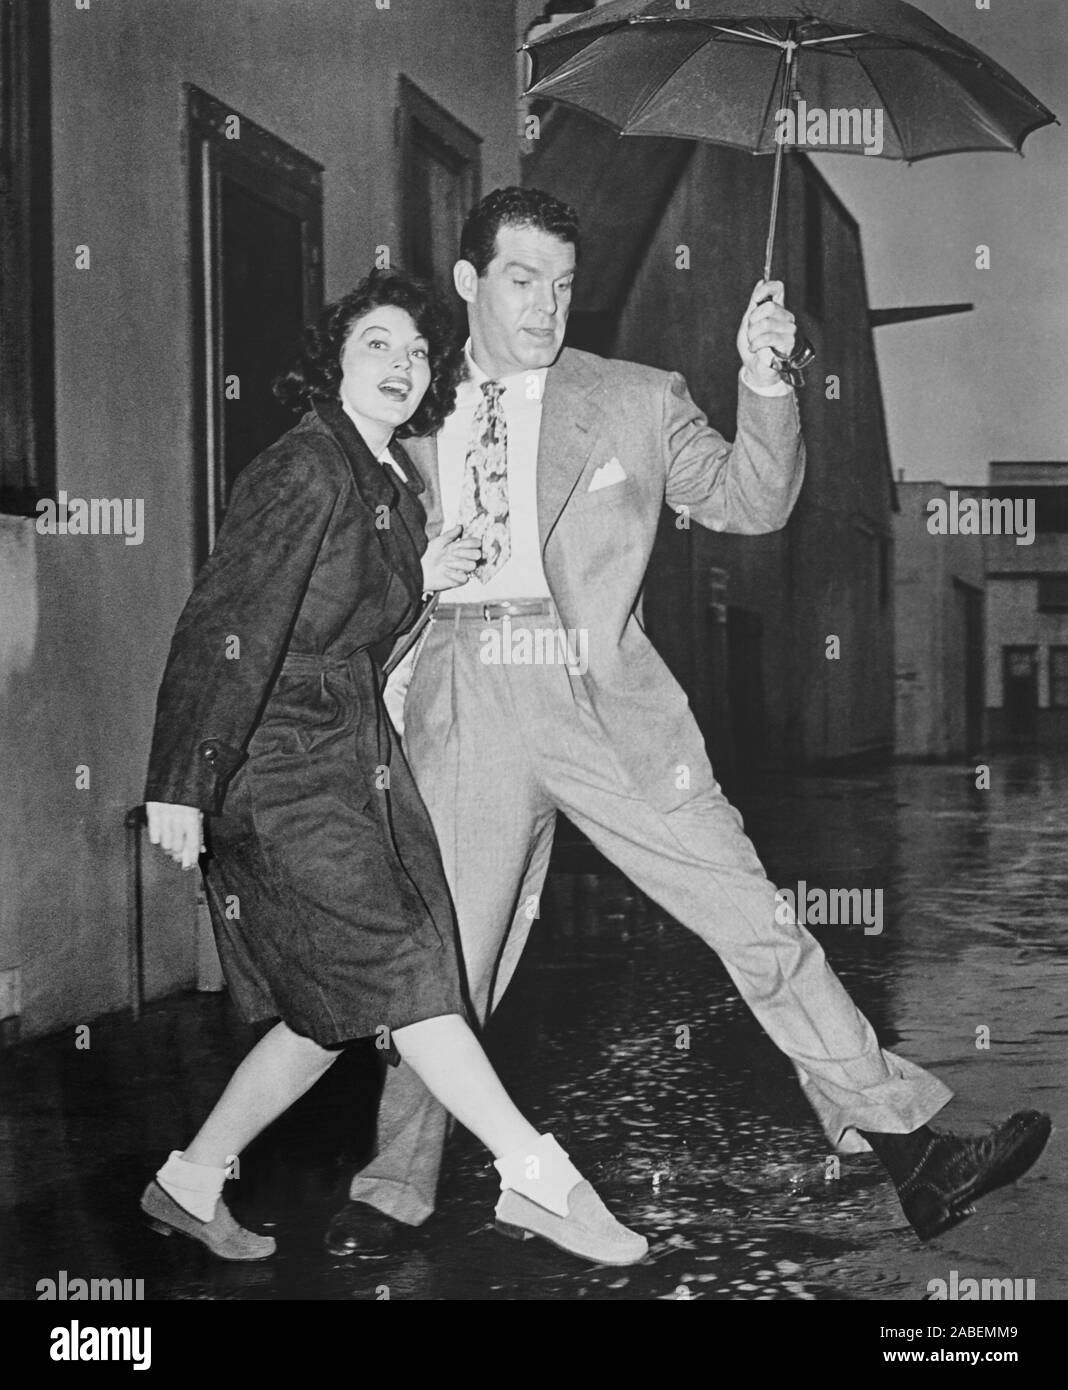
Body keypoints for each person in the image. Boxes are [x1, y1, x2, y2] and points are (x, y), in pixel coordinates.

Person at [325, 188, 1051, 1257]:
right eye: (522, 282)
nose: (546, 309)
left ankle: (909, 1146)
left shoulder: (635, 397)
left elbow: (752, 498)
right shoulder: (407, 402)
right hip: (464, 696)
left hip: (604, 699)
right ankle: (393, 1191)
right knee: (445, 969)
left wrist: (765, 376)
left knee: (753, 916)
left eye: (564, 287)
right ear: (471, 284)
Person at [140, 267, 647, 1267]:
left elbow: (347, 626)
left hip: (346, 765)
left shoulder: (383, 484)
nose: (403, 364)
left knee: (325, 1013)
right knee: (411, 977)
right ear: (332, 361)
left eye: (418, 350)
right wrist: (180, 783)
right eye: (377, 343)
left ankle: (190, 1182)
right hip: (280, 773)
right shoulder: (308, 469)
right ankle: (541, 1179)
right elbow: (226, 627)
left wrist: (423, 578)